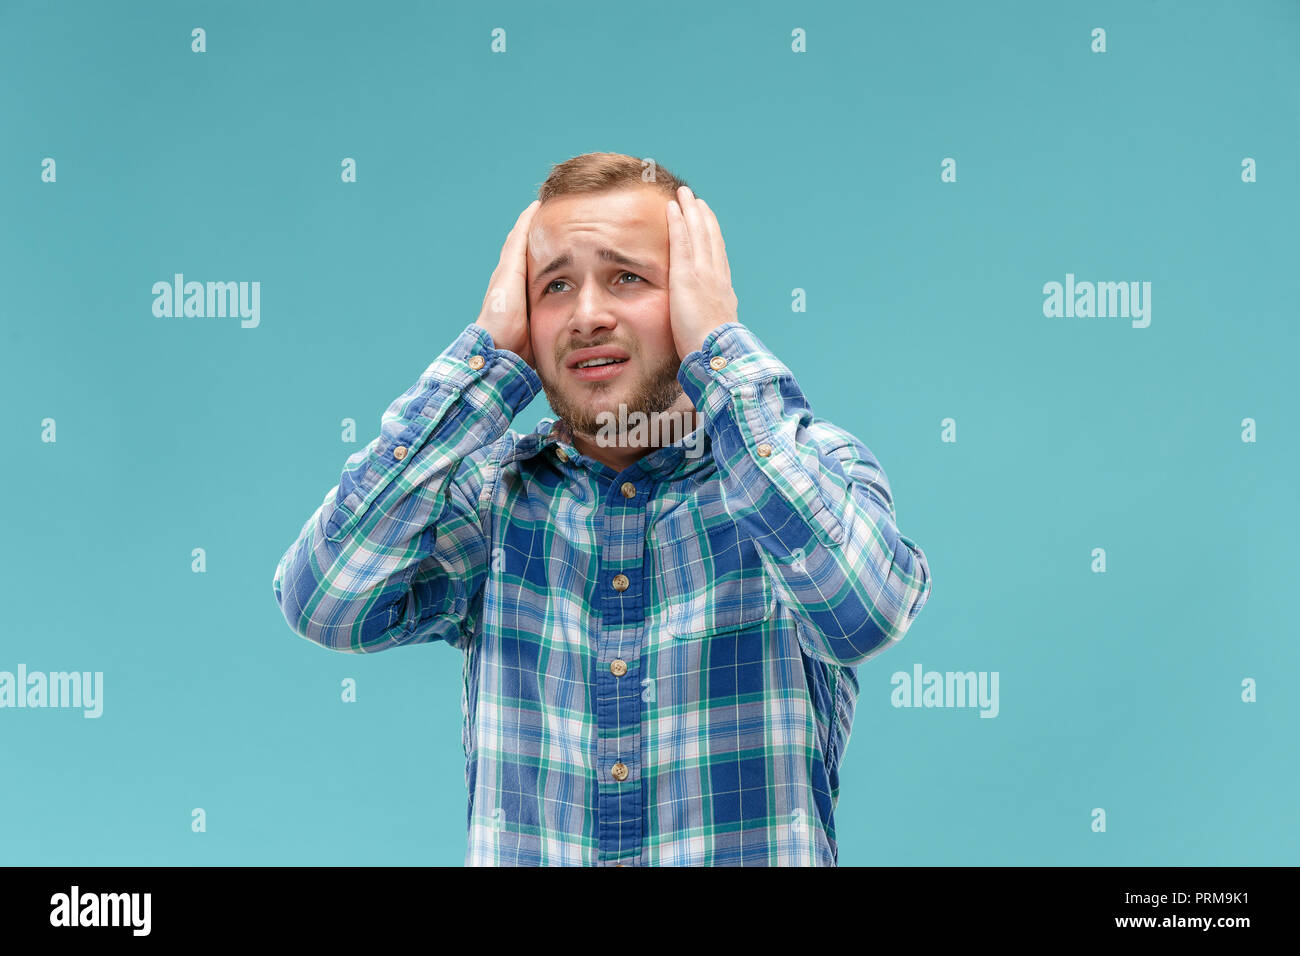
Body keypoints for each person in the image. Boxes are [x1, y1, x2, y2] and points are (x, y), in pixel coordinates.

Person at [272, 152, 933, 866]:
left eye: (627, 277)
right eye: (555, 286)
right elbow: (324, 602)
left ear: (692, 295)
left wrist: (721, 347)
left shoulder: (807, 473)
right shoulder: (491, 499)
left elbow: (865, 611)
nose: (587, 315)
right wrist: (482, 361)